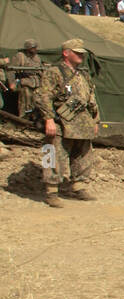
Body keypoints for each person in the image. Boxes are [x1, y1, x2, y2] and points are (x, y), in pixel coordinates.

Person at [33, 38, 99, 207]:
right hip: (61, 122)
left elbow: (91, 98)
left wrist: (95, 120)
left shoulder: (83, 74)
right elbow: (43, 96)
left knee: (83, 155)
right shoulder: (54, 72)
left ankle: (78, 186)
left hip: (82, 123)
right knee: (53, 153)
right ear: (66, 53)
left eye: (81, 53)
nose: (80, 56)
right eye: (77, 53)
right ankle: (51, 191)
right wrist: (48, 119)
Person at [7, 39, 44, 123]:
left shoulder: (37, 58)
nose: (34, 49)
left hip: (37, 84)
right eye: (32, 48)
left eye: (35, 48)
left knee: (36, 104)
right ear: (28, 48)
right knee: (25, 104)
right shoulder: (20, 56)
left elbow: (40, 70)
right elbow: (11, 70)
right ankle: (23, 121)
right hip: (25, 83)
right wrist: (12, 83)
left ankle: (34, 120)